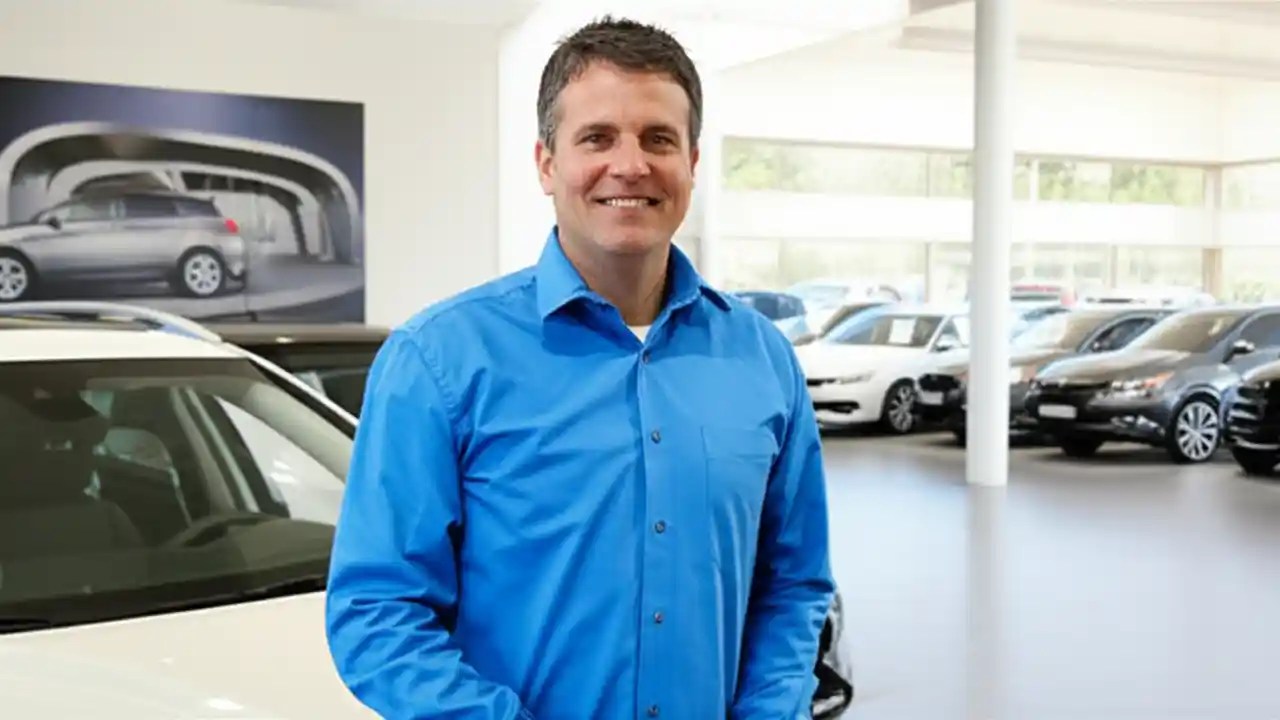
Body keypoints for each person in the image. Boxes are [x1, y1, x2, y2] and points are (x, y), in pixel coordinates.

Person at [325, 15, 834, 720]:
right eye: (597, 137)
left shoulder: (762, 359)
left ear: (691, 162)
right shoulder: (439, 360)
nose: (630, 165)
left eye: (658, 139)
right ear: (546, 164)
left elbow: (793, 583)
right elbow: (377, 612)